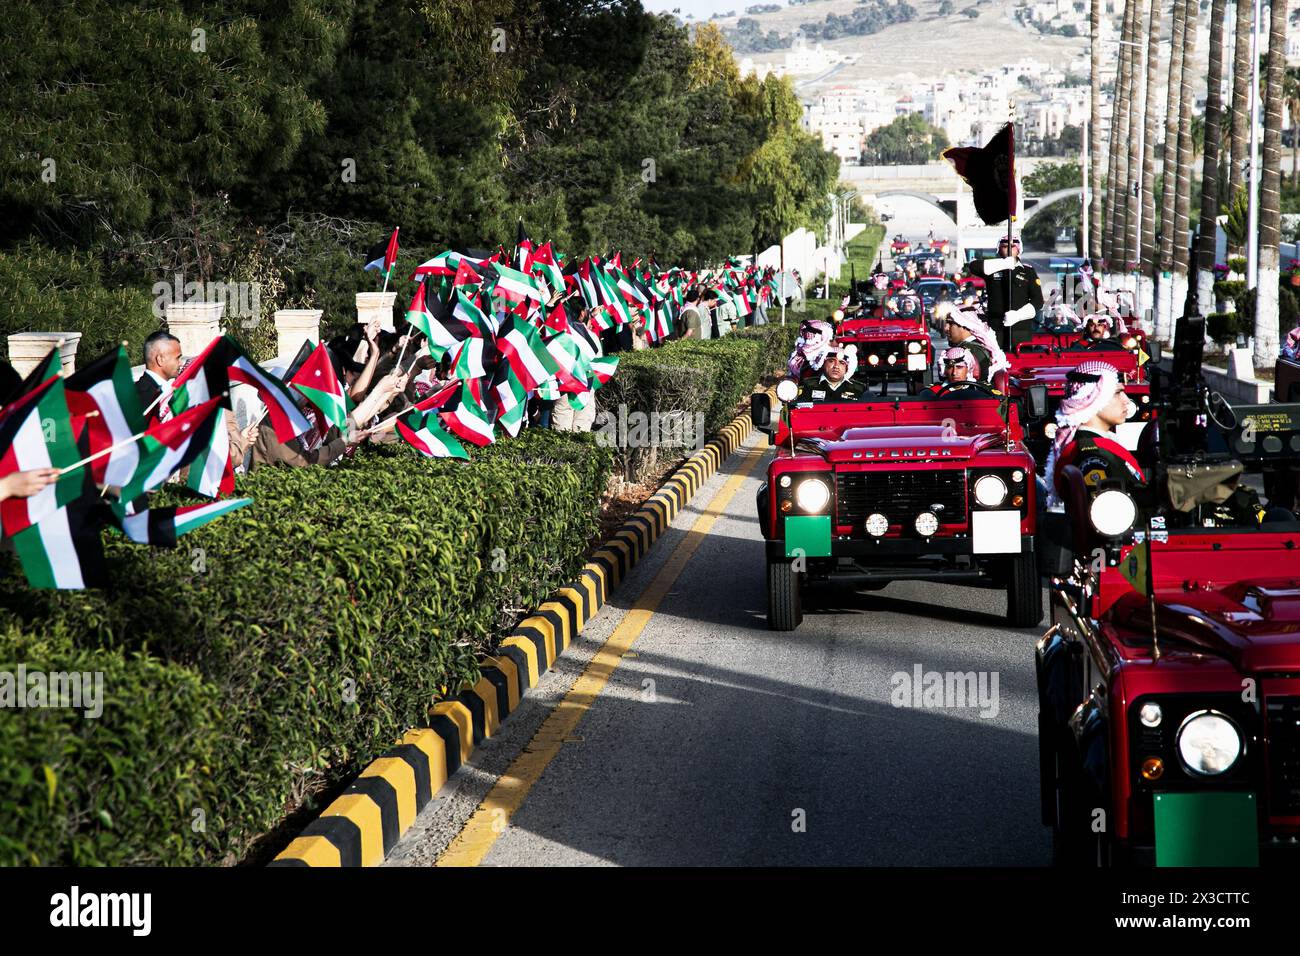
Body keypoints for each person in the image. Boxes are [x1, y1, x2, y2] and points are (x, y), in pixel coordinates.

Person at [1044, 361, 1146, 507]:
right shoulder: (1091, 457)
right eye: (1117, 393)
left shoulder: (1096, 446)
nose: (1126, 401)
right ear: (1092, 399)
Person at [966, 235, 1043, 351]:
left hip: (1020, 330)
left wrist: (1018, 315)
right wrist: (1003, 264)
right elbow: (973, 266)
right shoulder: (992, 269)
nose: (1008, 249)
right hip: (997, 328)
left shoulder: (1028, 271)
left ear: (1019, 249)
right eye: (1004, 246)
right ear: (999, 249)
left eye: (1012, 246)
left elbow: (1038, 301)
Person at [944, 308, 1007, 385]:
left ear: (965, 326)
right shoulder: (983, 346)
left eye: (950, 323)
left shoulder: (965, 351)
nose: (946, 328)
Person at [136, 330, 183, 420]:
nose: (181, 363)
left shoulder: (140, 390)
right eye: (177, 358)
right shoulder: (143, 398)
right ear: (160, 359)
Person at [794, 343, 861, 403]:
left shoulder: (859, 389)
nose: (836, 366)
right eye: (831, 361)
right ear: (823, 363)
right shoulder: (807, 385)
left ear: (847, 367)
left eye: (841, 363)